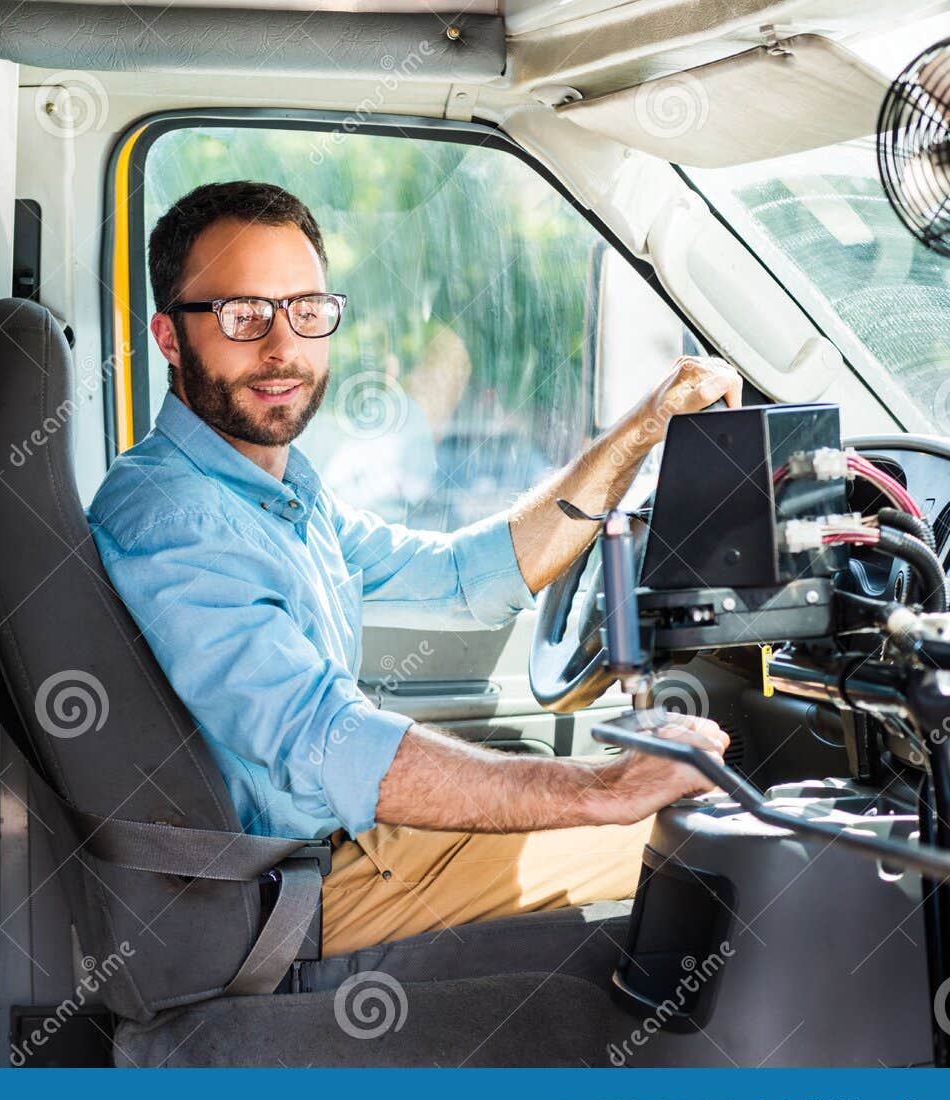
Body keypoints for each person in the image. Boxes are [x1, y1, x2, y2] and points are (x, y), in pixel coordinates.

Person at [87, 180, 739, 955]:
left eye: (306, 309)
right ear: (169, 337)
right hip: (284, 889)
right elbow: (322, 739)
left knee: (689, 832)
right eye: (243, 314)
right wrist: (603, 791)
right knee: (721, 854)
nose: (282, 347)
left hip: (325, 853)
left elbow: (468, 577)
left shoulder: (276, 493)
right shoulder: (177, 518)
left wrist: (645, 427)